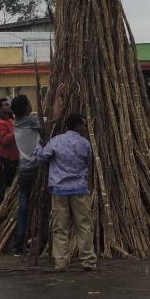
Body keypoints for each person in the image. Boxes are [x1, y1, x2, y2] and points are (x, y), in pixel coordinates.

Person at [38, 112, 96, 271]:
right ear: (77, 125)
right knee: (83, 225)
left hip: (59, 190)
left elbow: (42, 157)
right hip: (79, 189)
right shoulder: (84, 143)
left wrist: (38, 146)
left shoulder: (56, 141)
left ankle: (61, 262)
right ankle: (88, 261)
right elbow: (88, 162)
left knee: (60, 226)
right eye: (83, 124)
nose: (84, 127)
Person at [11, 94, 42, 256]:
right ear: (26, 107)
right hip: (35, 168)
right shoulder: (30, 120)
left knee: (23, 207)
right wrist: (58, 96)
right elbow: (55, 118)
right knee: (41, 204)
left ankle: (18, 245)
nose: (32, 103)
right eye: (30, 101)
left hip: (23, 169)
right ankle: (42, 240)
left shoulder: (17, 122)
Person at [0, 97, 20, 213]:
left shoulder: (12, 121)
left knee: (14, 191)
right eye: (6, 105)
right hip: (2, 160)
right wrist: (17, 130)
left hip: (14, 161)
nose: (9, 106)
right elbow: (4, 140)